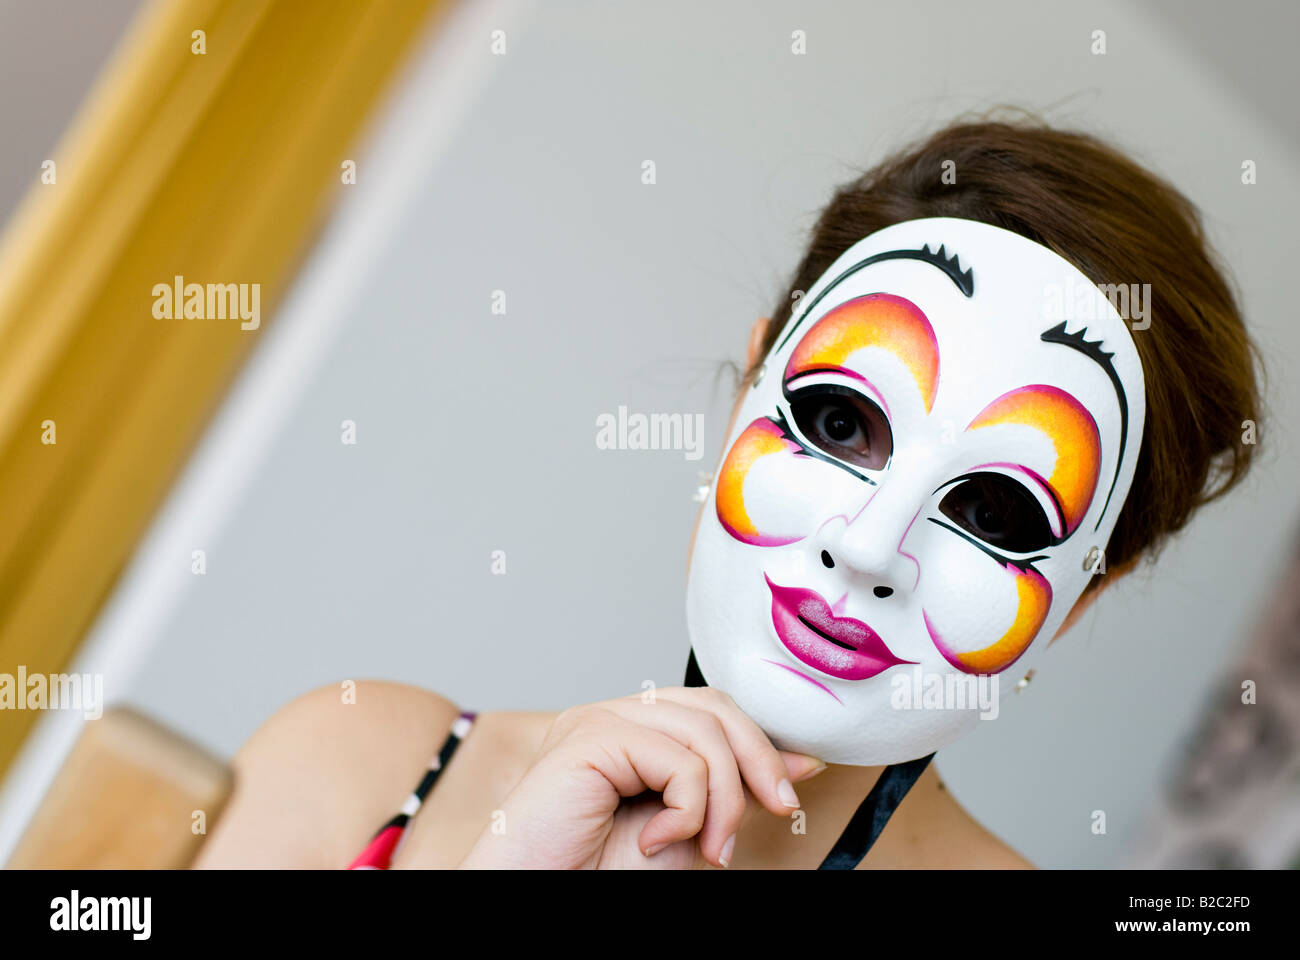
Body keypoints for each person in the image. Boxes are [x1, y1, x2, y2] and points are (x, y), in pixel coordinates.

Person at [194, 116, 1263, 870]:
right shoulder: (357, 761)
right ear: (750, 381)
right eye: (840, 422)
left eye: (992, 513)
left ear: (1080, 597)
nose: (869, 546)